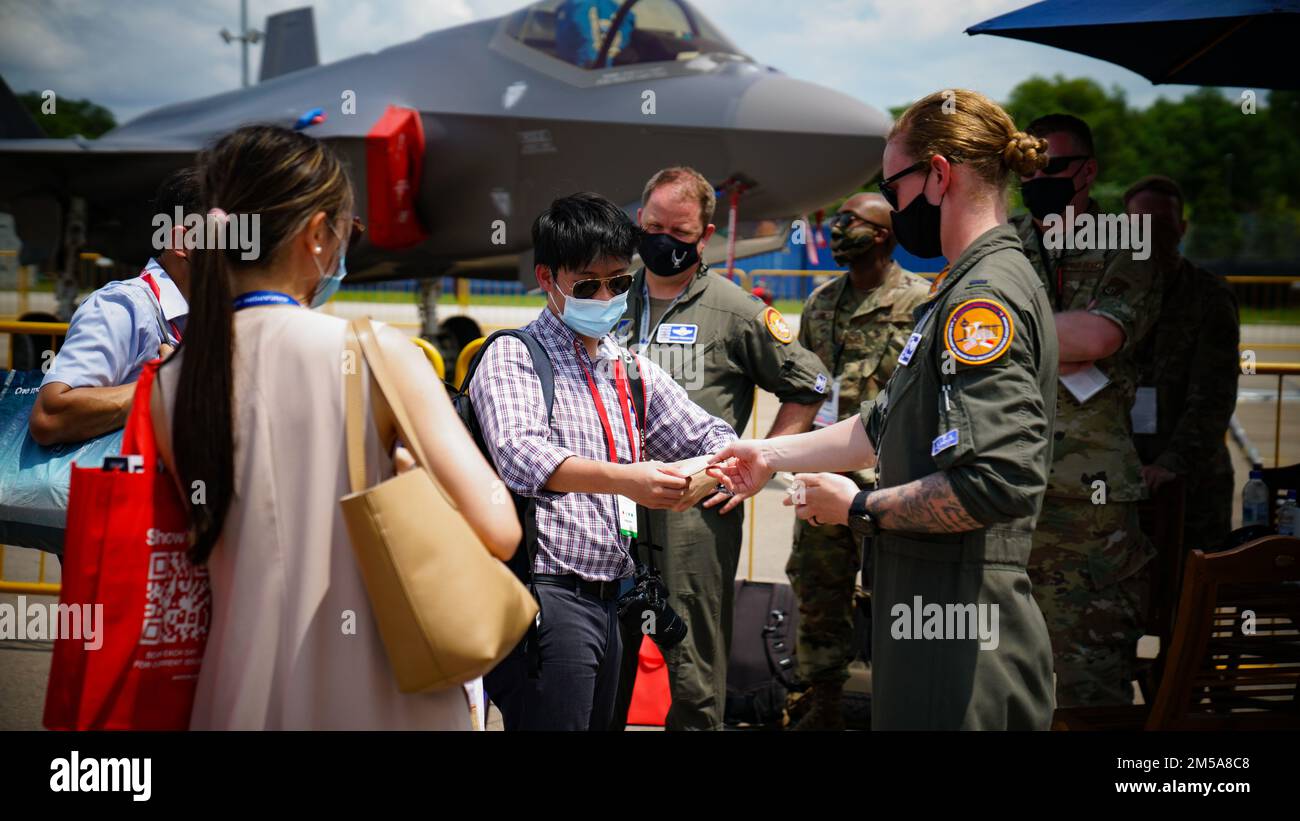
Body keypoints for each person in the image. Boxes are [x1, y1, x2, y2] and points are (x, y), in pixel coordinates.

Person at [709, 89, 1059, 730]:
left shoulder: (983, 298)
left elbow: (998, 480)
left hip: (959, 632)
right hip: (936, 618)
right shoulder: (963, 285)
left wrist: (858, 508)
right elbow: (878, 424)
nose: (893, 207)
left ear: (939, 175)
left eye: (894, 187)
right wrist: (765, 454)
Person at [151, 124, 520, 730]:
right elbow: (498, 529)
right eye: (346, 231)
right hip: (380, 697)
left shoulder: (172, 381)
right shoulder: (373, 352)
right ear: (317, 236)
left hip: (234, 698)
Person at [472, 192, 737, 731]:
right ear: (547, 279)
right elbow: (523, 456)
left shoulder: (627, 368)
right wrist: (628, 480)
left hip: (618, 597)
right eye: (587, 284)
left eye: (619, 282)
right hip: (549, 595)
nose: (606, 295)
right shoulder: (514, 355)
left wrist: (701, 475)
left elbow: (712, 434)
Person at [611, 166, 830, 731]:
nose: (663, 240)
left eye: (680, 234)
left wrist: (758, 463)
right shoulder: (609, 299)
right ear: (640, 220)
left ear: (705, 236)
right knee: (607, 647)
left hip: (695, 511)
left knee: (692, 657)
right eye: (653, 226)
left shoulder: (736, 311)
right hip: (610, 502)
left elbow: (809, 384)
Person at [1009, 114, 1163, 708]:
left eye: (1053, 168)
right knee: (1003, 673)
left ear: (1089, 171)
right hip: (1004, 478)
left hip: (1087, 495)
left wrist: (1000, 333)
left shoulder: (1128, 240)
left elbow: (1099, 338)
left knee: (1090, 679)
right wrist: (1054, 340)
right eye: (1029, 169)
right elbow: (956, 334)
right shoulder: (1005, 240)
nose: (1038, 179)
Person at [787, 192, 928, 729]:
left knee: (898, 597)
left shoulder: (920, 302)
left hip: (890, 484)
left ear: (884, 235)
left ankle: (902, 706)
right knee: (818, 588)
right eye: (837, 219)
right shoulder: (822, 302)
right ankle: (822, 705)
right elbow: (807, 390)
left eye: (851, 221)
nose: (838, 228)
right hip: (825, 476)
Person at [29, 169, 197, 445]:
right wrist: (167, 384)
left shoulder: (211, 313)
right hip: (115, 485)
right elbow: (50, 416)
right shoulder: (123, 306)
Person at [1126, 175, 1239, 553]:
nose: (1151, 235)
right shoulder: (1111, 294)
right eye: (1140, 225)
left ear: (1182, 228)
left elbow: (1213, 395)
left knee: (1190, 599)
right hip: (1121, 482)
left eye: (1162, 225)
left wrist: (1172, 464)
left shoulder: (1209, 297)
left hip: (1192, 484)